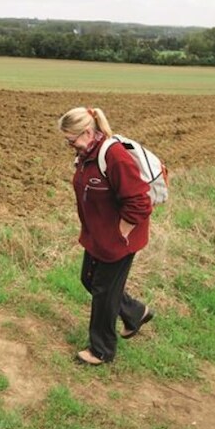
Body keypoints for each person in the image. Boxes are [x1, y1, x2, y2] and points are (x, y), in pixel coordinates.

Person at [59, 106, 155, 365]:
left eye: (71, 140)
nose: (69, 146)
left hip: (117, 239)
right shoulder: (86, 154)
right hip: (97, 234)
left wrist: (120, 233)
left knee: (103, 291)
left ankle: (101, 351)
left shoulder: (114, 156)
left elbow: (140, 202)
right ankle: (135, 312)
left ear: (87, 132)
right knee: (89, 279)